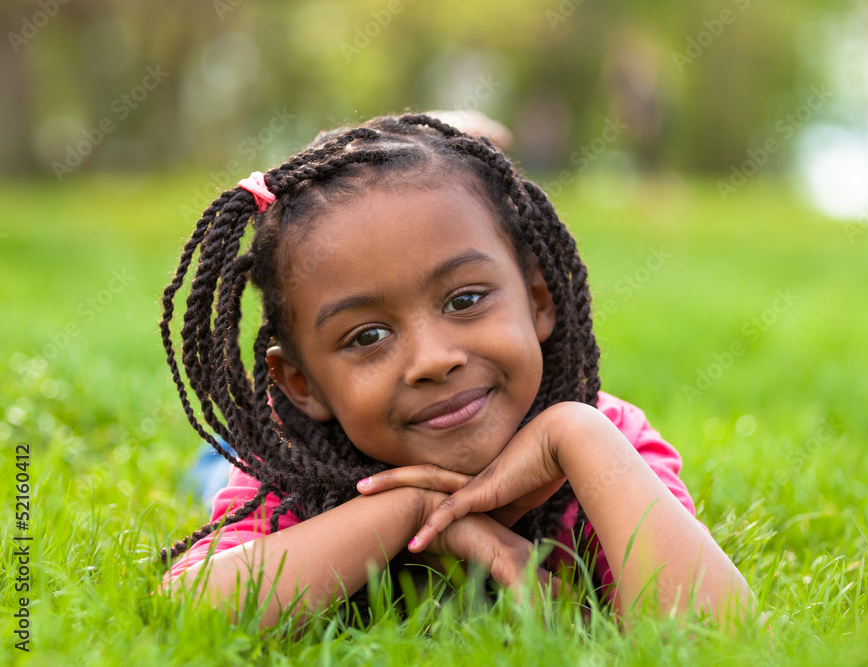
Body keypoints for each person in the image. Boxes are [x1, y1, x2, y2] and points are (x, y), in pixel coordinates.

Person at [157, 112, 758, 630]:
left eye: (465, 299)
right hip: (274, 443)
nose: (434, 360)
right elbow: (189, 612)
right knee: (217, 462)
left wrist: (574, 432)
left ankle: (432, 140)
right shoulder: (293, 469)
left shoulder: (604, 442)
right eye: (367, 336)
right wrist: (412, 510)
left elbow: (717, 635)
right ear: (302, 384)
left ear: (539, 299)